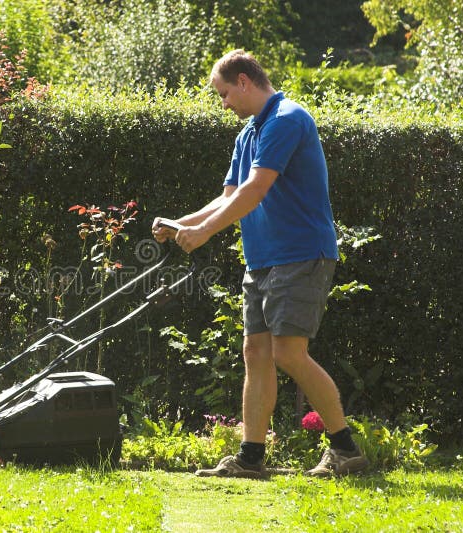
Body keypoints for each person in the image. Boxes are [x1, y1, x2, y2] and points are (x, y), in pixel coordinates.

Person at [152, 49, 368, 478]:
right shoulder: (248, 133)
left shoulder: (287, 119)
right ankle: (251, 458)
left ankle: (345, 449)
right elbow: (230, 197)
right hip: (263, 258)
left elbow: (256, 189)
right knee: (256, 352)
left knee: (289, 352)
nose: (224, 104)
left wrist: (204, 232)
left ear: (244, 82)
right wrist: (182, 224)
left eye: (224, 94)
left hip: (301, 254)